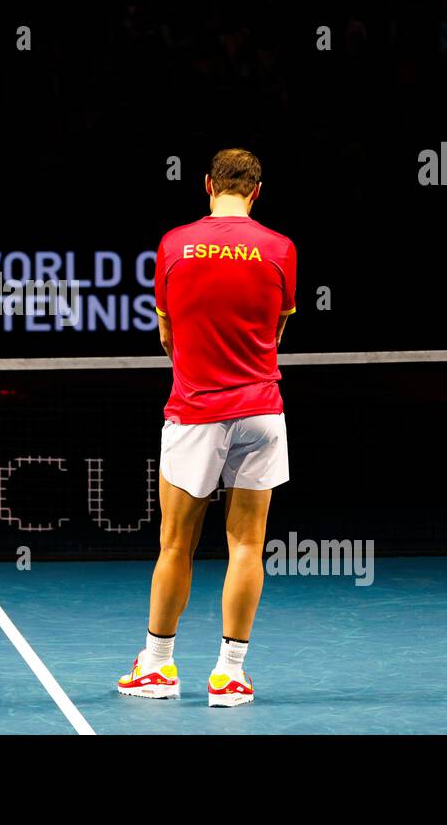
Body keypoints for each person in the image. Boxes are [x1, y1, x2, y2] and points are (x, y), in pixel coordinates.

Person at [117, 148, 296, 707]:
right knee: (247, 545)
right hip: (262, 411)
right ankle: (230, 674)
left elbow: (167, 337)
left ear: (206, 185)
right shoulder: (281, 250)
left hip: (195, 411)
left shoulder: (174, 244)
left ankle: (157, 667)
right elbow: (275, 335)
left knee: (176, 544)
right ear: (257, 191)